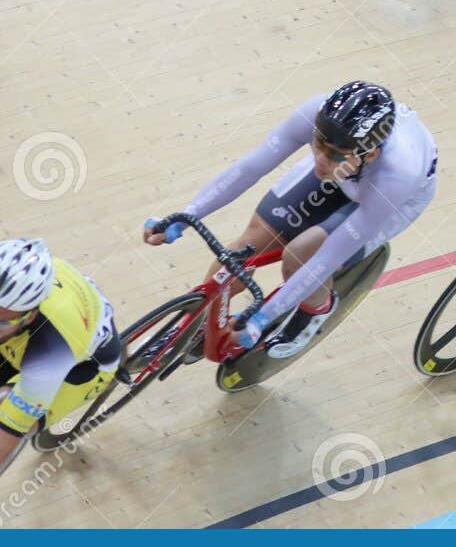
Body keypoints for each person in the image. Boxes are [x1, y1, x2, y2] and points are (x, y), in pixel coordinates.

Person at [144, 81, 437, 358]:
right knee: (248, 245)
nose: (320, 159)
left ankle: (316, 309)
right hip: (346, 176)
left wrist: (263, 318)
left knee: (301, 254)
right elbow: (248, 168)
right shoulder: (318, 116)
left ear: (369, 155)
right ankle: (192, 325)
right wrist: (186, 216)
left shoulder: (399, 176)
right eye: (318, 144)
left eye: (335, 154)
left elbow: (328, 258)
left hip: (389, 199)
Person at [0, 239, 118, 461]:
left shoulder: (53, 350)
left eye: (1, 322)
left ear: (29, 316)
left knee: (6, 410)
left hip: (85, 367)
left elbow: (6, 436)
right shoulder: (12, 309)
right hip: (33, 328)